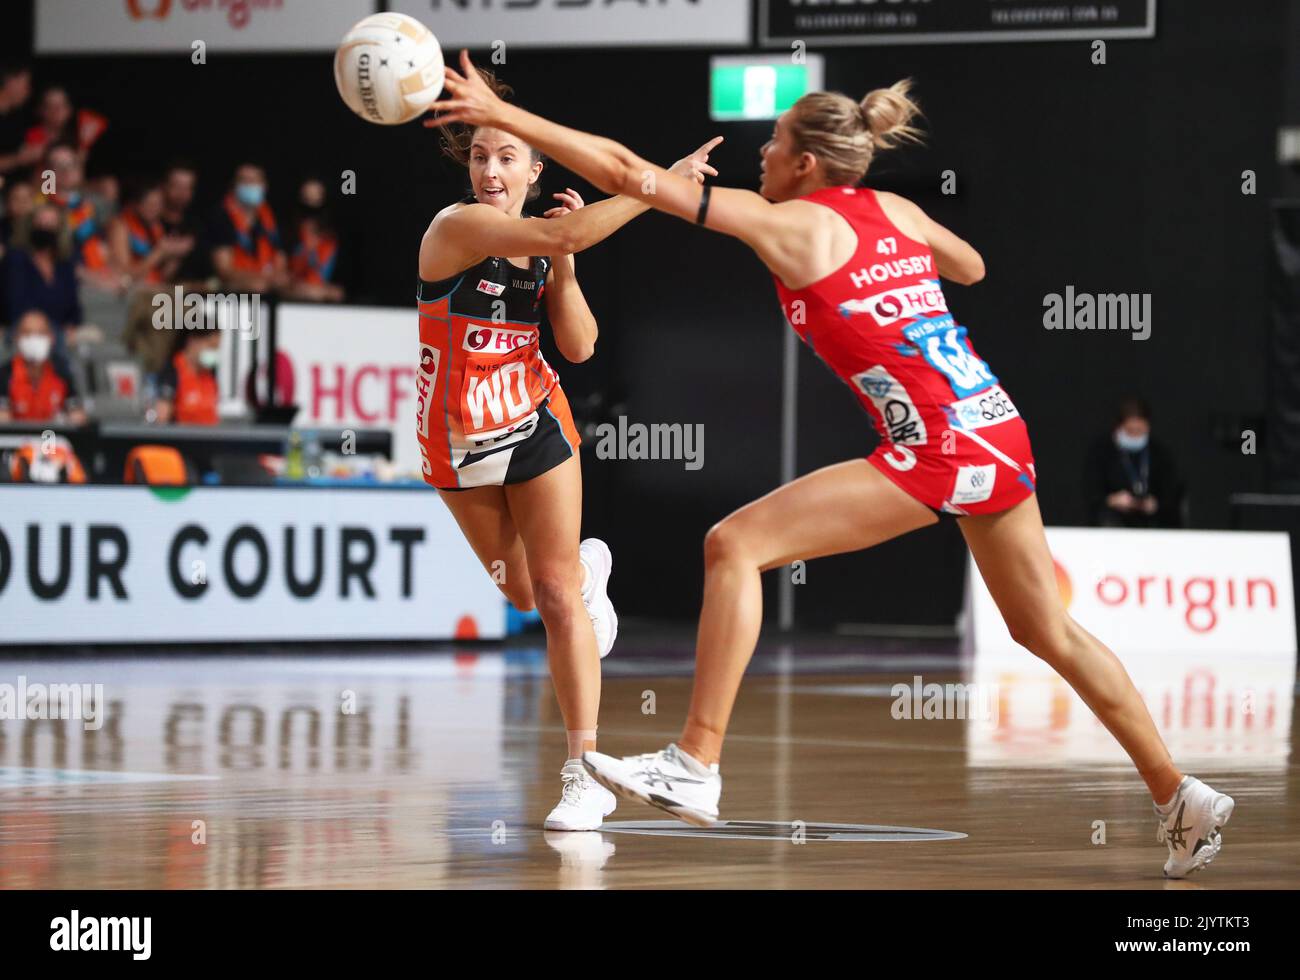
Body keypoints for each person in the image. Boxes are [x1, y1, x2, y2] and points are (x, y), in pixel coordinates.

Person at [429, 53, 1235, 878]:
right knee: (1044, 629)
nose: (763, 158)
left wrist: (508, 116)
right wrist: (900, 282)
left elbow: (631, 175)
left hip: (937, 443)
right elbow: (971, 267)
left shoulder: (789, 224)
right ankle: (1179, 795)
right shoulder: (893, 207)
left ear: (805, 164)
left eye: (774, 145)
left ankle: (695, 764)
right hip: (998, 426)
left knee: (732, 546)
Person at [422, 69, 719, 831]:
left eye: (507, 158)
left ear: (533, 169)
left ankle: (583, 772)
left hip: (537, 422)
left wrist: (565, 267)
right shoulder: (455, 228)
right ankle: (591, 574)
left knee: (554, 599)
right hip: (458, 442)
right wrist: (662, 186)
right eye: (480, 156)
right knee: (523, 595)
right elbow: (567, 228)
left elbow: (581, 347)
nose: (490, 170)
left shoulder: (547, 244)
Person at [1085, 397, 1184, 528]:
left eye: (1140, 430)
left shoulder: (1159, 454)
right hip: (1112, 522)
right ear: (1118, 427)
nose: (1135, 435)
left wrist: (1156, 504)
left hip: (1153, 523)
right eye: (1130, 430)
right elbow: (1091, 491)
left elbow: (1172, 492)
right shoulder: (1101, 452)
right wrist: (1112, 500)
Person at [4, 201, 85, 349]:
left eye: (50, 223)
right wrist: (42, 329)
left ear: (59, 229)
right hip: (24, 331)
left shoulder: (64, 264)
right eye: (40, 222)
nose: (45, 227)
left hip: (59, 333)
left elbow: (74, 307)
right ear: (31, 225)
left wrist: (71, 326)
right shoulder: (16, 259)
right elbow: (15, 304)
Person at [209, 163, 288, 294]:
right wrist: (261, 278)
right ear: (234, 185)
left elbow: (281, 261)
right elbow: (223, 270)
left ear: (264, 185)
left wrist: (277, 277)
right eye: (244, 180)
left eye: (254, 181)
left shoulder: (270, 218)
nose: (249, 185)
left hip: (266, 283)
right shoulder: (221, 217)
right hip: (231, 288)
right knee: (258, 286)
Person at [0, 309, 86, 425]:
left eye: (41, 333)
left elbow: (77, 414)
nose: (34, 339)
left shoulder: (62, 371)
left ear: (51, 338)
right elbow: (3, 419)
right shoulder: (5, 374)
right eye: (27, 333)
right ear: (17, 338)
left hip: (51, 439)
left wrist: (72, 417)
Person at [286, 177, 344, 302]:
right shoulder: (288, 233)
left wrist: (325, 290)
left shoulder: (333, 237)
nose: (310, 220)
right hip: (291, 297)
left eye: (316, 211)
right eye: (306, 208)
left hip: (324, 300)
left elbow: (339, 288)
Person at [154, 327, 220, 425]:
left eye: (216, 348)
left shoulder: (210, 374)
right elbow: (162, 417)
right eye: (211, 346)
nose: (213, 352)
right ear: (193, 341)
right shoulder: (172, 371)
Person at [0, 61, 39, 179]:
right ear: (10, 81)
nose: (28, 91)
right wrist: (19, 159)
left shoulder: (18, 119)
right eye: (26, 85)